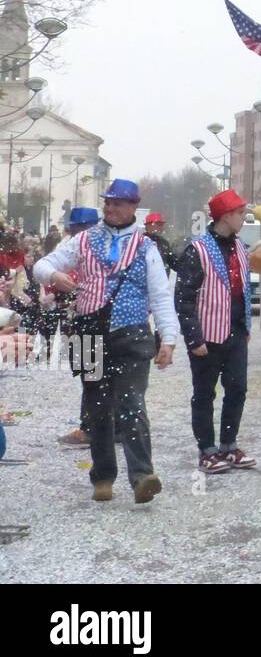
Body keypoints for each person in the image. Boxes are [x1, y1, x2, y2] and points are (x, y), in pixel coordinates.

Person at [34, 179, 179, 503]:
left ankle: (143, 475)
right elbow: (42, 265)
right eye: (108, 202)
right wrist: (54, 276)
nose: (111, 207)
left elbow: (160, 296)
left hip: (131, 333)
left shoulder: (147, 248)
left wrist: (168, 339)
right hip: (88, 332)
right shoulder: (82, 240)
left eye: (118, 203)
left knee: (131, 405)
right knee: (97, 408)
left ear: (132, 207)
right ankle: (102, 477)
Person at [174, 189, 257, 473]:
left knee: (238, 389)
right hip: (207, 336)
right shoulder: (197, 249)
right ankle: (207, 449)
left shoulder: (241, 248)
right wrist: (193, 337)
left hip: (235, 332)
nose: (244, 218)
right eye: (240, 213)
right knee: (204, 393)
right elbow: (184, 297)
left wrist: (246, 324)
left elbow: (243, 290)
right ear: (225, 216)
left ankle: (229, 444)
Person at [46, 208, 102, 450]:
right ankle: (99, 425)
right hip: (78, 320)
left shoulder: (90, 250)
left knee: (92, 375)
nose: (71, 233)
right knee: (89, 373)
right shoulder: (74, 248)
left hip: (88, 319)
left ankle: (91, 428)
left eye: (75, 228)